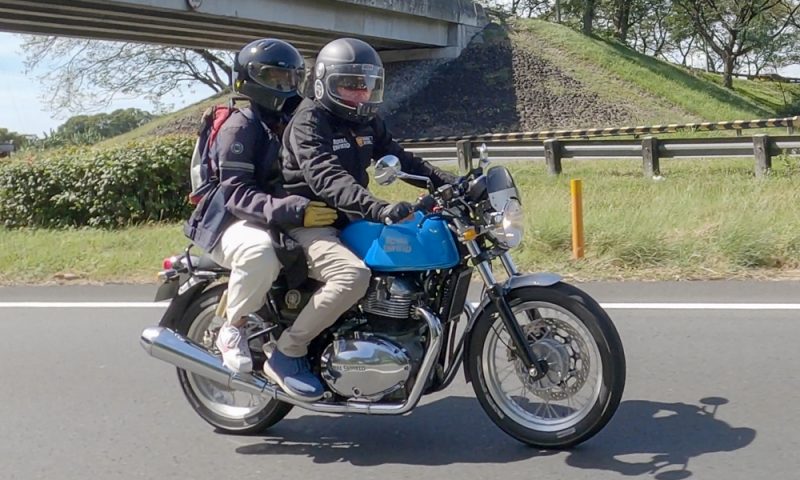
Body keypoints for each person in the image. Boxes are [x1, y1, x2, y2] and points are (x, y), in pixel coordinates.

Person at [265, 37, 459, 401]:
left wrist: (453, 183)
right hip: (309, 221)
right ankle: (287, 352)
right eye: (350, 85)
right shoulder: (310, 121)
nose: (361, 93)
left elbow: (403, 160)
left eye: (367, 84)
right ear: (323, 83)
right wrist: (377, 207)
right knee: (351, 276)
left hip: (347, 218)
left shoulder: (366, 120)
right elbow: (325, 176)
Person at [184, 38, 337, 373]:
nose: (285, 85)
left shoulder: (290, 120)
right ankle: (232, 328)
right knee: (260, 254)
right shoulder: (241, 127)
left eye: (291, 77)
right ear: (249, 79)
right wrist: (295, 210)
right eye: (274, 77)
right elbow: (237, 195)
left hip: (270, 216)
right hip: (229, 221)